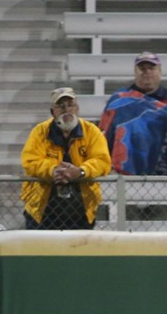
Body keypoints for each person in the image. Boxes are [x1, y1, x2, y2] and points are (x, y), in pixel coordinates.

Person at [21, 86, 112, 230]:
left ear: (77, 108)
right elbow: (30, 161)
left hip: (81, 211)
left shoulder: (92, 132)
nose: (66, 110)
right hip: (41, 210)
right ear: (52, 112)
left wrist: (80, 172)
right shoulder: (39, 132)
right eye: (60, 106)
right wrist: (53, 171)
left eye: (71, 105)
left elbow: (102, 161)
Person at [98, 51, 167, 176]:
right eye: (142, 68)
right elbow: (104, 136)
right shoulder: (118, 102)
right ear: (135, 72)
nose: (147, 72)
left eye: (151, 68)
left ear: (160, 71)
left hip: (163, 176)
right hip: (122, 178)